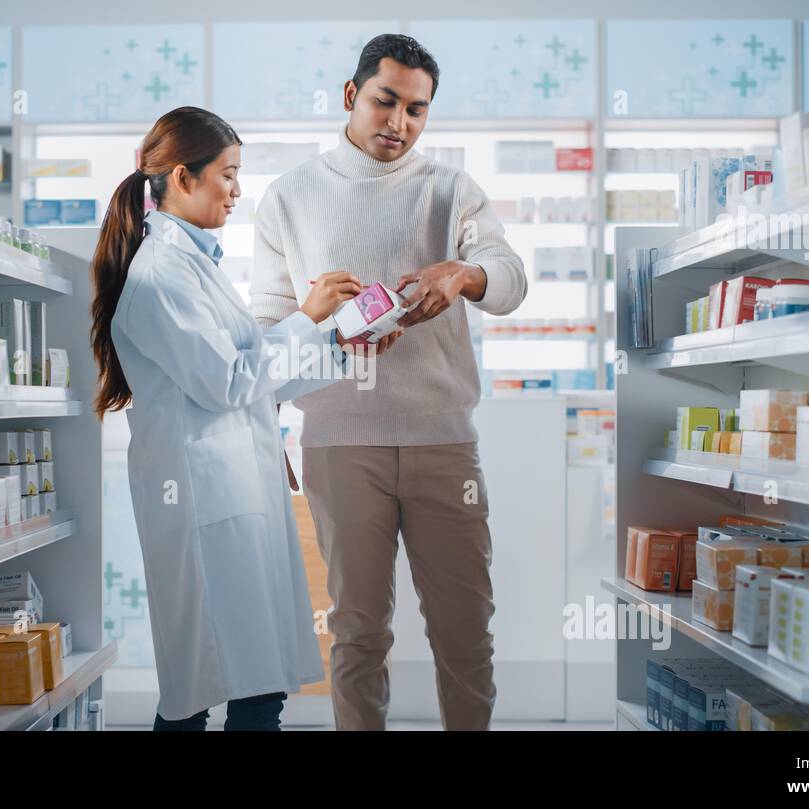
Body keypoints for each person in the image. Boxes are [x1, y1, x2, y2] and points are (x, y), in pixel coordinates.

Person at [251, 34, 527, 731]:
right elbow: (265, 337)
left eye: (417, 109)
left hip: (443, 442)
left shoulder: (451, 190)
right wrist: (316, 323)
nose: (399, 123)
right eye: (385, 101)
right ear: (351, 96)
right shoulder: (288, 198)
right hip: (341, 444)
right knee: (357, 633)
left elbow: (510, 276)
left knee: (465, 631)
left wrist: (464, 273)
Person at [90, 106, 363, 731]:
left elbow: (251, 378)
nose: (238, 191)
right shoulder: (160, 276)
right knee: (205, 693)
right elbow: (229, 381)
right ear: (183, 177)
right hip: (202, 505)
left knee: (250, 687)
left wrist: (343, 345)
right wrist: (308, 315)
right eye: (229, 174)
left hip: (233, 496)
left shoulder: (195, 268)